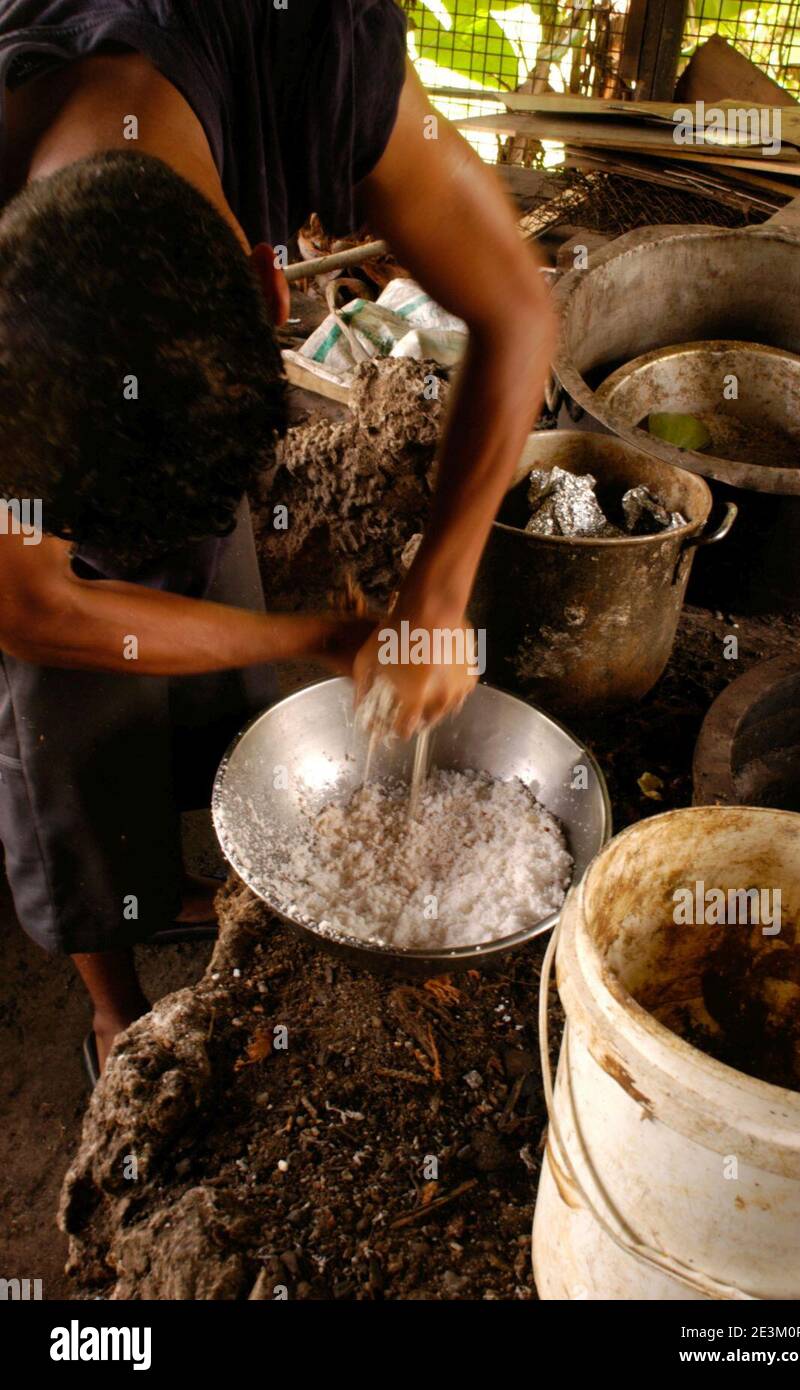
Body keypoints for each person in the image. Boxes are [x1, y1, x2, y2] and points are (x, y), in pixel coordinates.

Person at [0, 0, 556, 1074]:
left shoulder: (320, 48)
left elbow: (520, 310)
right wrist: (321, 634)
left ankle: (194, 878)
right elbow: (33, 602)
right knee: (58, 710)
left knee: (219, 590)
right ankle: (113, 1003)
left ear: (267, 283)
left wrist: (437, 588)